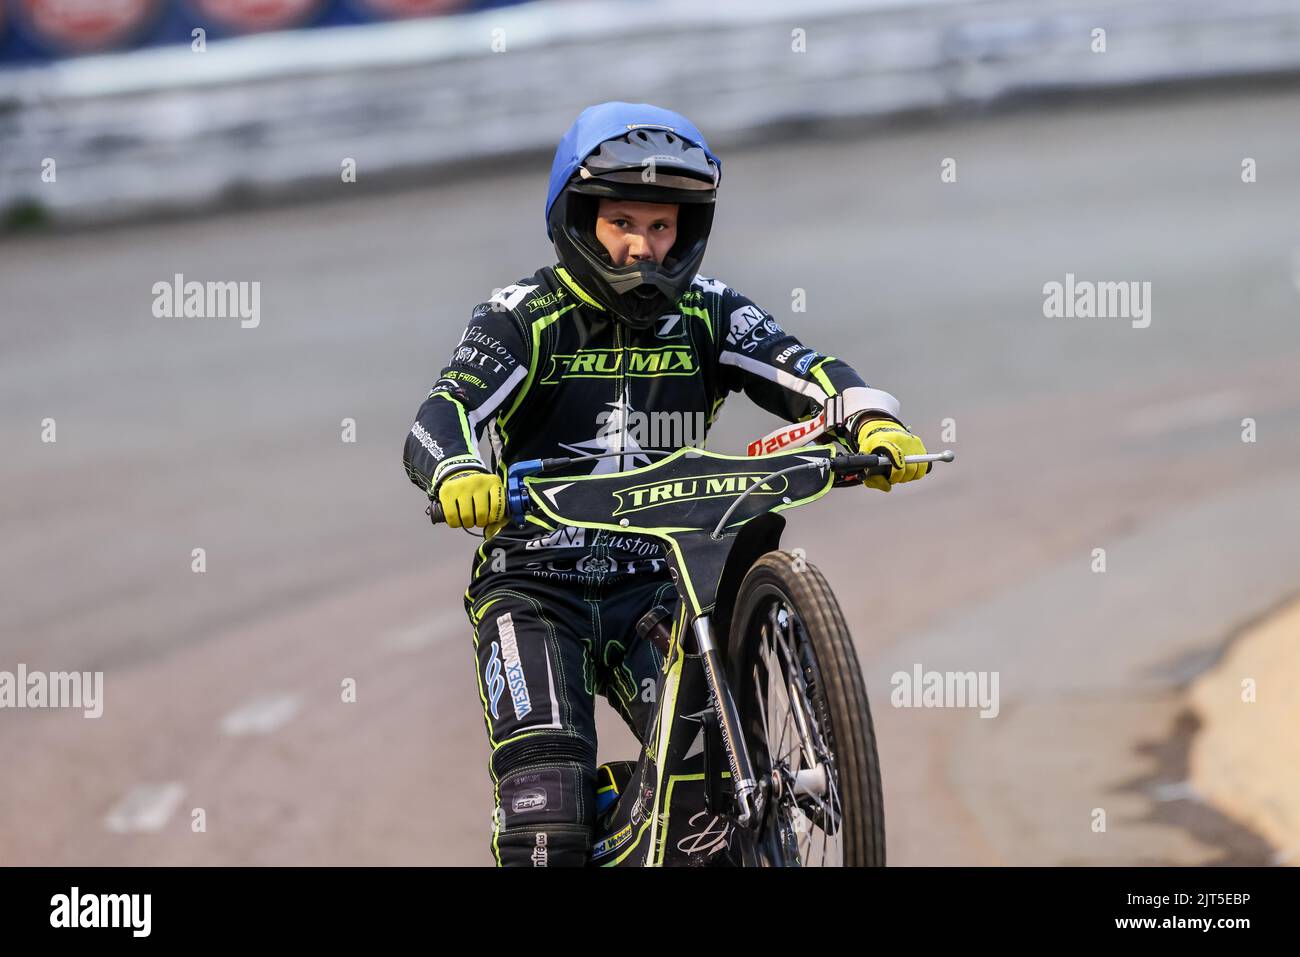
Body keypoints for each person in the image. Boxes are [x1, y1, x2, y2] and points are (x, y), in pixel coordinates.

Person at [402, 101, 931, 866]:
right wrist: (457, 471)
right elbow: (440, 411)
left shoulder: (710, 310)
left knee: (722, 800)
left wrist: (870, 421)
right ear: (578, 219)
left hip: (662, 588)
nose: (643, 249)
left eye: (660, 228)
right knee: (546, 822)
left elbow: (803, 366)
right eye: (623, 223)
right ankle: (586, 806)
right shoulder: (522, 317)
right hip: (535, 590)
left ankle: (649, 809)